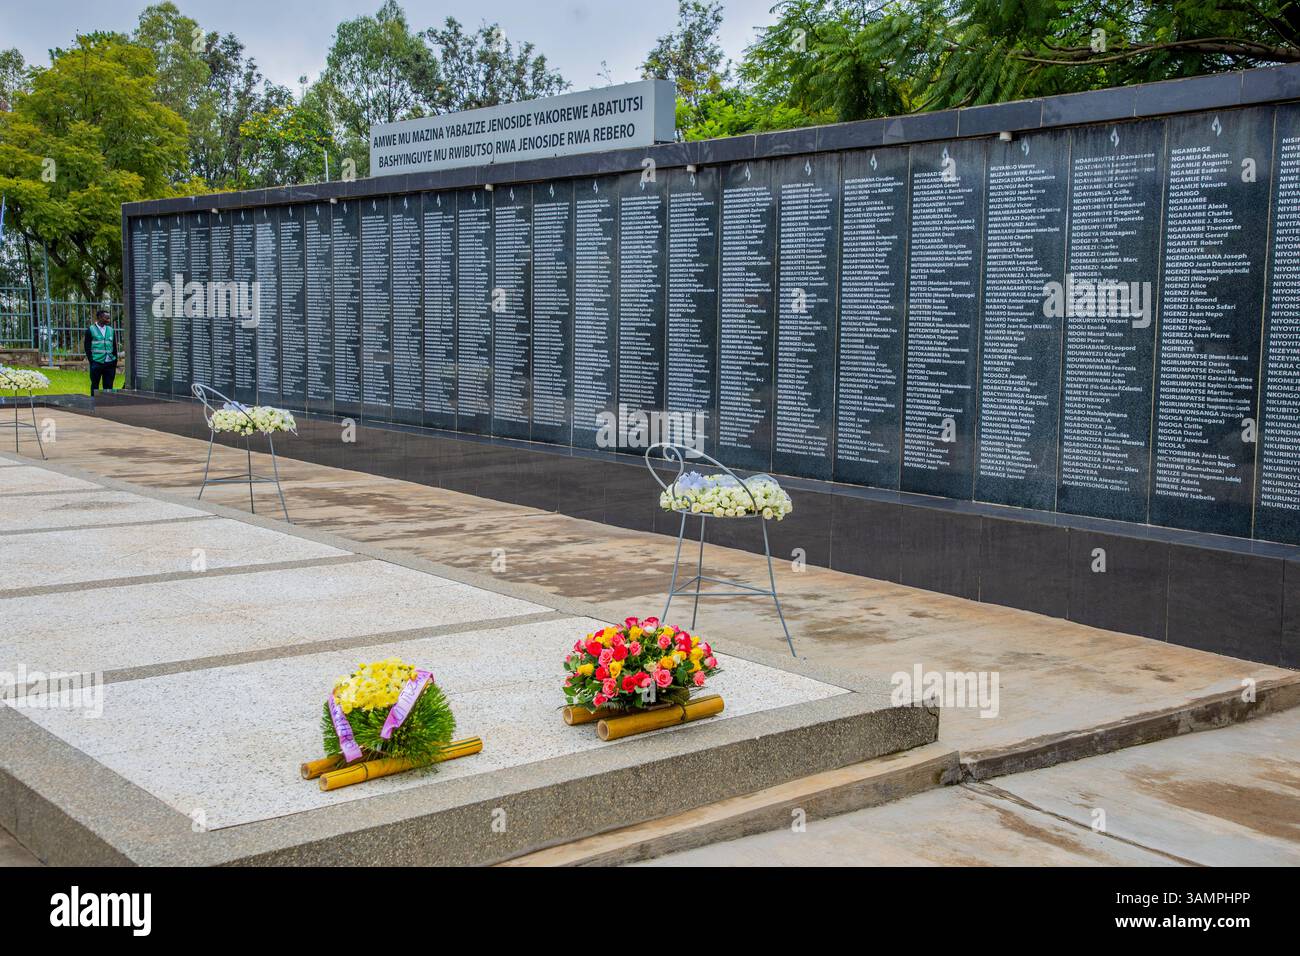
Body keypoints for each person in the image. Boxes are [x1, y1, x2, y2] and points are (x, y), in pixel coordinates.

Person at [84, 309, 118, 396]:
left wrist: (115, 361)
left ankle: (106, 405)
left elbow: (114, 346)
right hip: (96, 362)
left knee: (108, 386)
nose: (108, 320)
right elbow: (87, 347)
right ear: (99, 317)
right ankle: (94, 403)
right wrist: (92, 361)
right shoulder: (90, 330)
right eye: (106, 318)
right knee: (95, 385)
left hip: (110, 362)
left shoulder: (111, 330)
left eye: (109, 318)